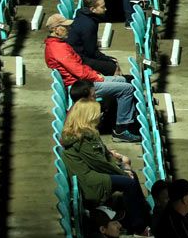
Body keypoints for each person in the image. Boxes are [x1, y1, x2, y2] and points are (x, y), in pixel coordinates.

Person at [44, 14, 144, 143]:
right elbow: (78, 71)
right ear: (56, 29)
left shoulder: (59, 44)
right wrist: (97, 77)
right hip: (81, 86)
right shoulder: (58, 48)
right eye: (65, 27)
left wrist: (95, 74)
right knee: (128, 89)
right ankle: (121, 130)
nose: (69, 29)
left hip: (84, 81)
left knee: (122, 80)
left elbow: (80, 66)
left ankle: (118, 118)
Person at [61, 100, 151, 234]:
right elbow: (97, 162)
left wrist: (122, 169)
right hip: (88, 179)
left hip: (91, 172)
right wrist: (122, 172)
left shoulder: (87, 133)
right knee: (129, 182)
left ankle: (145, 218)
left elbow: (104, 155)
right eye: (98, 113)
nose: (101, 115)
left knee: (131, 176)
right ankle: (138, 227)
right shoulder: (83, 136)